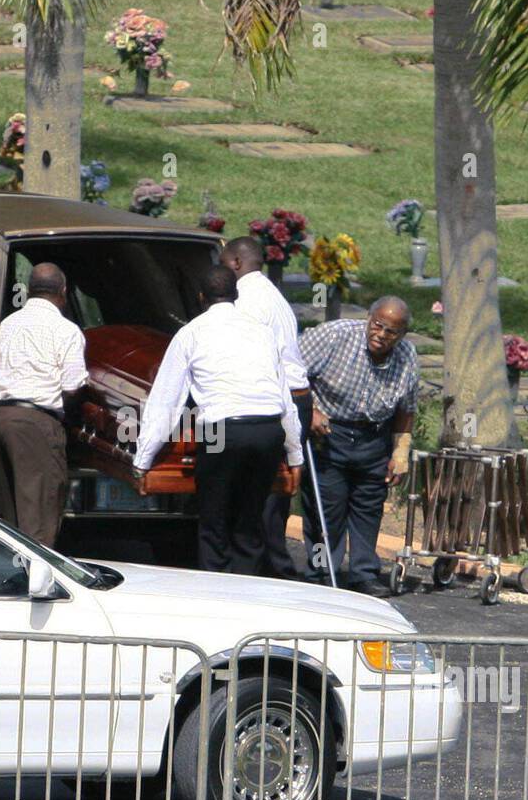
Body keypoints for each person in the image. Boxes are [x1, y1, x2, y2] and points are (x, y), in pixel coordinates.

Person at [133, 266, 303, 575]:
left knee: (214, 521)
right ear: (237, 296)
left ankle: (217, 590)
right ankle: (248, 590)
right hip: (267, 430)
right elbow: (284, 398)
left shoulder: (191, 333)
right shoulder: (263, 331)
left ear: (200, 297)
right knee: (249, 524)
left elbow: (166, 403)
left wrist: (142, 460)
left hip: (220, 431)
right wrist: (295, 455)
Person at [299, 297, 418, 596]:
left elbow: (407, 408)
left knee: (369, 507)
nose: (381, 334)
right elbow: (290, 371)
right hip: (329, 433)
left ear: (401, 335)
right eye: (377, 325)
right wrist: (309, 410)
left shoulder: (407, 355)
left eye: (391, 331)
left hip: (373, 436)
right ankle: (321, 572)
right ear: (369, 318)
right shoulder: (335, 335)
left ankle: (363, 573)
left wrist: (400, 452)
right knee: (326, 509)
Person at [222, 236, 312, 580]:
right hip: (293, 397)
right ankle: (270, 569)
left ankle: (277, 575)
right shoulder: (272, 293)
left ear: (235, 263)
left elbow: (251, 357)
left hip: (277, 400)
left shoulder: (245, 299)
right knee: (271, 498)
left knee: (265, 497)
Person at [0, 262, 87, 547]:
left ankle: (16, 576)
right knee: (38, 517)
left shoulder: (8, 324)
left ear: (29, 290)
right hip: (34, 424)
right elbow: (73, 385)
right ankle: (38, 584)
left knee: (12, 514)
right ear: (63, 292)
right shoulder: (66, 331)